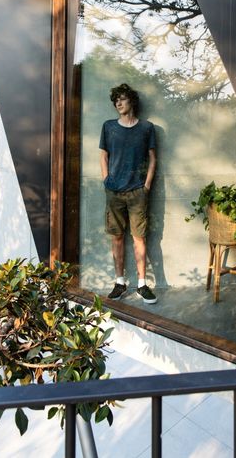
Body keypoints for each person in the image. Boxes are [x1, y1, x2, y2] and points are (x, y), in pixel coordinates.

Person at [99, 83, 157, 304]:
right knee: (117, 237)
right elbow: (103, 156)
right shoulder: (109, 127)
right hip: (114, 191)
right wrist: (106, 179)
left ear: (131, 100)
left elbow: (153, 158)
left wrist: (147, 186)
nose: (118, 103)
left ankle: (142, 285)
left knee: (139, 238)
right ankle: (120, 282)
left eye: (122, 99)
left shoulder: (146, 128)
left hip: (137, 192)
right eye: (115, 100)